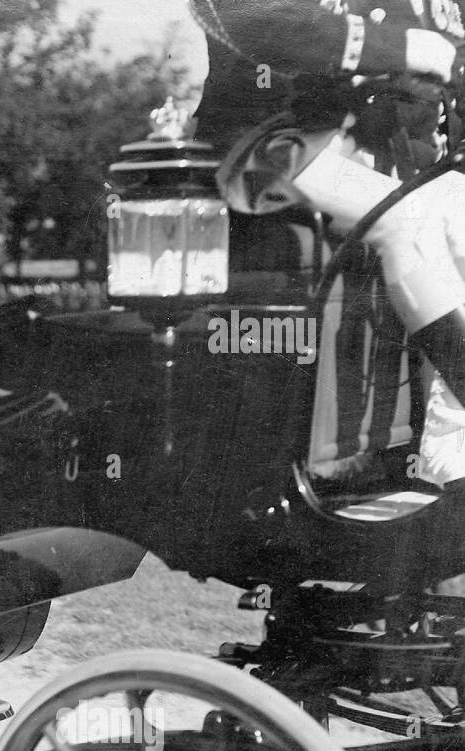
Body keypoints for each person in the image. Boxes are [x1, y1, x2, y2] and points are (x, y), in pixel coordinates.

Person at [191, 0, 465, 487]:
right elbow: (260, 25)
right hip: (266, 147)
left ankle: (450, 448)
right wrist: (401, 50)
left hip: (369, 153)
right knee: (408, 220)